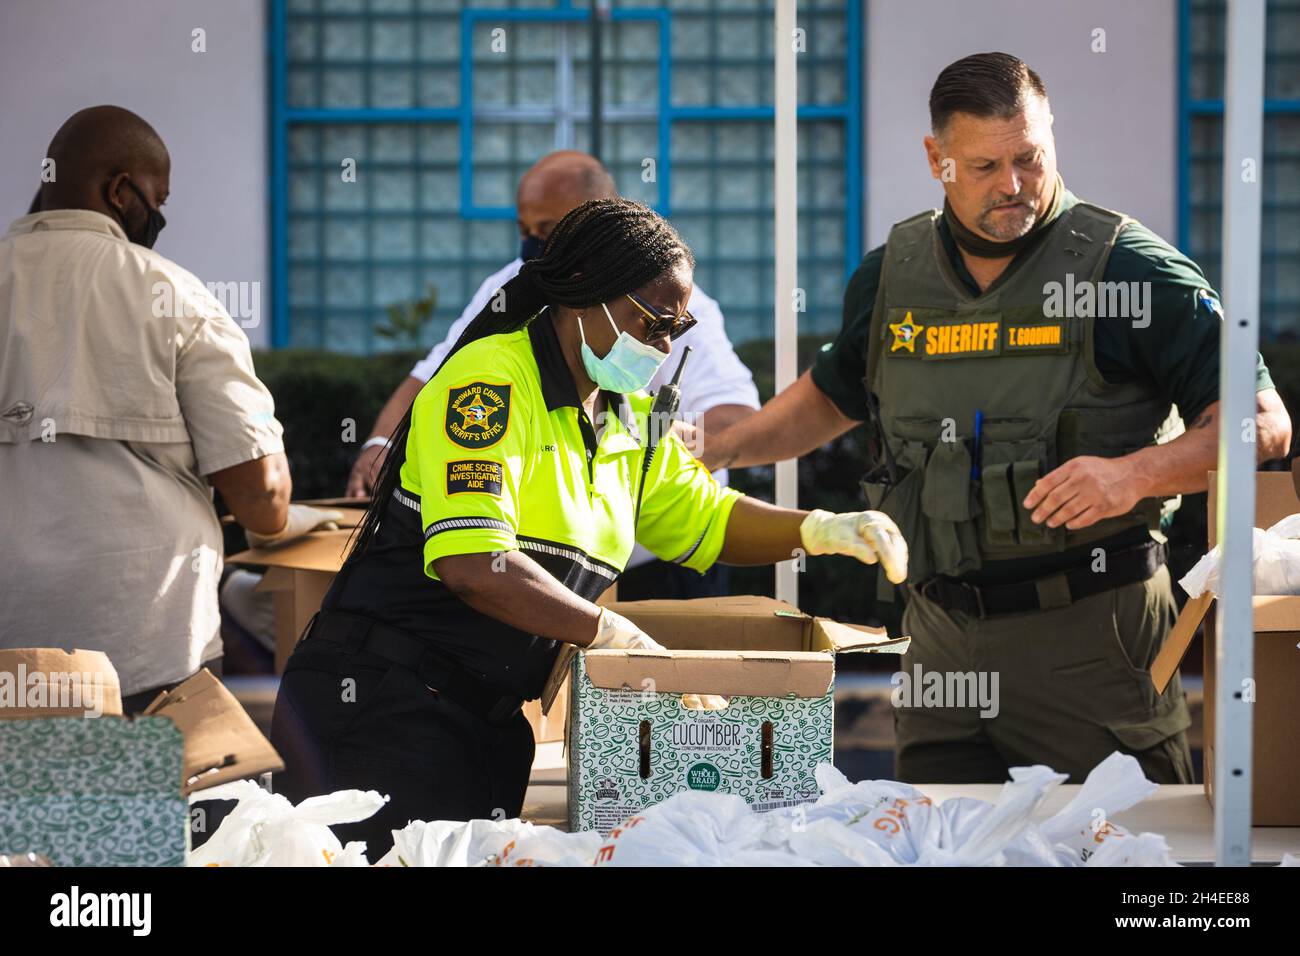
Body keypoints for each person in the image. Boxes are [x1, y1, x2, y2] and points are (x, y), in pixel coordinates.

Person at [699, 53, 1293, 785]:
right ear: (936, 158)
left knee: (1123, 855)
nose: (1012, 186)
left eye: (1029, 158)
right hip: (938, 643)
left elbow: (1262, 424)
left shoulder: (1129, 269)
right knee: (936, 846)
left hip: (1093, 642)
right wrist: (714, 449)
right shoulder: (893, 275)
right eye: (983, 166)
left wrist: (1134, 475)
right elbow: (829, 397)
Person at [270, 198, 908, 855]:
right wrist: (607, 628)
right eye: (651, 323)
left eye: (674, 329)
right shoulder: (490, 387)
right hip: (383, 709)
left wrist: (822, 531)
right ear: (586, 295)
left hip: (483, 717)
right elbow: (472, 563)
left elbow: (703, 519)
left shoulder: (632, 415)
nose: (662, 347)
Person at [0, 106, 336, 713]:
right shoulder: (175, 295)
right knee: (147, 806)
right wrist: (286, 521)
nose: (159, 217)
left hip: (9, 651)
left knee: (24, 804)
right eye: (158, 199)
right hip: (142, 646)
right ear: (119, 191)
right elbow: (262, 492)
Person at [345, 150, 760, 600]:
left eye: (548, 229)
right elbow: (434, 375)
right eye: (526, 231)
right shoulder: (496, 337)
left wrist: (659, 448)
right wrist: (378, 447)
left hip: (649, 560)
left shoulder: (667, 307)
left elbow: (731, 434)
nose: (662, 343)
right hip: (542, 562)